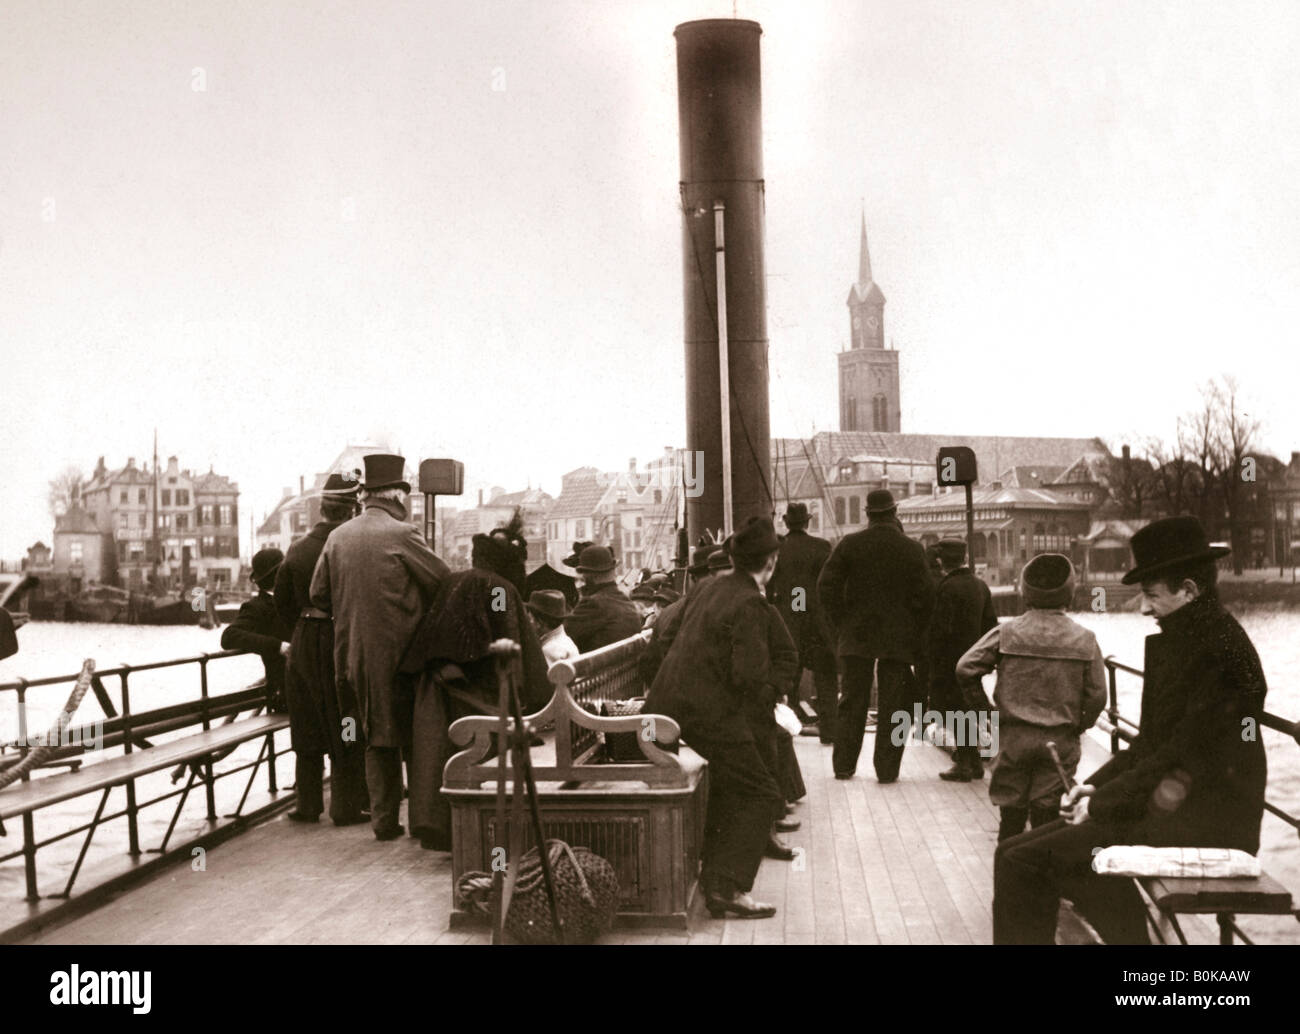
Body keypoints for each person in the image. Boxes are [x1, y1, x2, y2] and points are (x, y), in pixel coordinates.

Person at [990, 517, 1268, 944]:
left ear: (1189, 590)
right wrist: (1093, 789)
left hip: (1208, 819)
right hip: (1181, 805)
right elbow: (1153, 745)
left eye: (1151, 594)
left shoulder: (1219, 653)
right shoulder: (1199, 638)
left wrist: (1104, 803)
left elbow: (1178, 753)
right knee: (1013, 853)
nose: (1143, 607)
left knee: (1024, 861)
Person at [645, 517, 786, 919]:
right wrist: (766, 711)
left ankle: (716, 878)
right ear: (771, 562)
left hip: (668, 705)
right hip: (706, 712)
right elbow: (748, 677)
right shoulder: (751, 602)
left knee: (730, 782)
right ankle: (729, 888)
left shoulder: (708, 586)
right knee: (761, 791)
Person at [309, 454, 449, 842]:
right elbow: (444, 582)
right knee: (415, 737)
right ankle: (422, 820)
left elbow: (318, 595)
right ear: (397, 496)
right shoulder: (403, 534)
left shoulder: (337, 537)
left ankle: (384, 821)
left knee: (374, 736)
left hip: (351, 657)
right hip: (402, 656)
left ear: (365, 495)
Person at [401, 524, 551, 850]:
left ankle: (435, 830)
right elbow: (506, 637)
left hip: (434, 683)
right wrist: (524, 697)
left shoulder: (452, 580)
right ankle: (480, 838)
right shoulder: (498, 588)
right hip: (472, 690)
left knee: (433, 758)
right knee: (480, 756)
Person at [956, 553, 1104, 836]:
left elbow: (965, 668)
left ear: (1026, 592)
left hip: (1012, 738)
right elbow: (1097, 696)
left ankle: (1007, 873)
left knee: (1010, 817)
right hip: (1059, 740)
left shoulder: (1008, 632)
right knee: (1046, 818)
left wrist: (985, 712)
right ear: (1069, 593)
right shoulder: (1085, 639)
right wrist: (1078, 724)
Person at [817, 489, 934, 783]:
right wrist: (912, 627)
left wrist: (842, 620)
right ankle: (887, 770)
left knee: (852, 699)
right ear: (895, 513)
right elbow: (926, 597)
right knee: (894, 702)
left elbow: (825, 586)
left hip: (856, 635)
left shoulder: (850, 544)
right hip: (897, 638)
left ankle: (844, 766)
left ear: (867, 514)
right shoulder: (912, 549)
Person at [273, 473, 368, 825]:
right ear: (349, 509)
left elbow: (281, 602)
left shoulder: (297, 548)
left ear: (323, 508)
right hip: (338, 639)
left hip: (302, 640)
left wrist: (299, 631)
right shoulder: (349, 545)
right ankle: (346, 805)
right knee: (345, 718)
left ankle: (307, 804)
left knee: (307, 720)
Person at [927, 538, 998, 782]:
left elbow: (940, 630)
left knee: (953, 712)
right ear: (965, 558)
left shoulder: (947, 588)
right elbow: (991, 627)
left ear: (940, 560)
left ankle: (967, 763)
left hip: (949, 662)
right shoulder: (980, 586)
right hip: (975, 661)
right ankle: (973, 761)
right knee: (968, 709)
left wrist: (930, 660)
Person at [767, 502, 837, 742]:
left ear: (785, 521)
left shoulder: (776, 549)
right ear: (808, 522)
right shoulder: (822, 547)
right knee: (825, 679)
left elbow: (768, 586)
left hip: (786, 623)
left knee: (786, 680)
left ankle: (784, 730)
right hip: (817, 624)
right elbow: (830, 584)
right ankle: (830, 731)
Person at [221, 548, 290, 714]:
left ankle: (350, 737)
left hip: (304, 685)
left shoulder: (291, 600)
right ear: (278, 575)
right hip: (285, 691)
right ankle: (350, 737)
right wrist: (279, 646)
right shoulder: (257, 607)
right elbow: (229, 636)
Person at [565, 545, 642, 654]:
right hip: (618, 665)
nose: (582, 579)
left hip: (596, 669)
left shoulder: (593, 603)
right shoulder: (625, 600)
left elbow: (564, 635)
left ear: (591, 576)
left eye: (583, 574)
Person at [527, 589, 579, 665]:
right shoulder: (566, 640)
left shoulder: (548, 651)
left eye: (530, 618)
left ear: (540, 622)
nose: (529, 622)